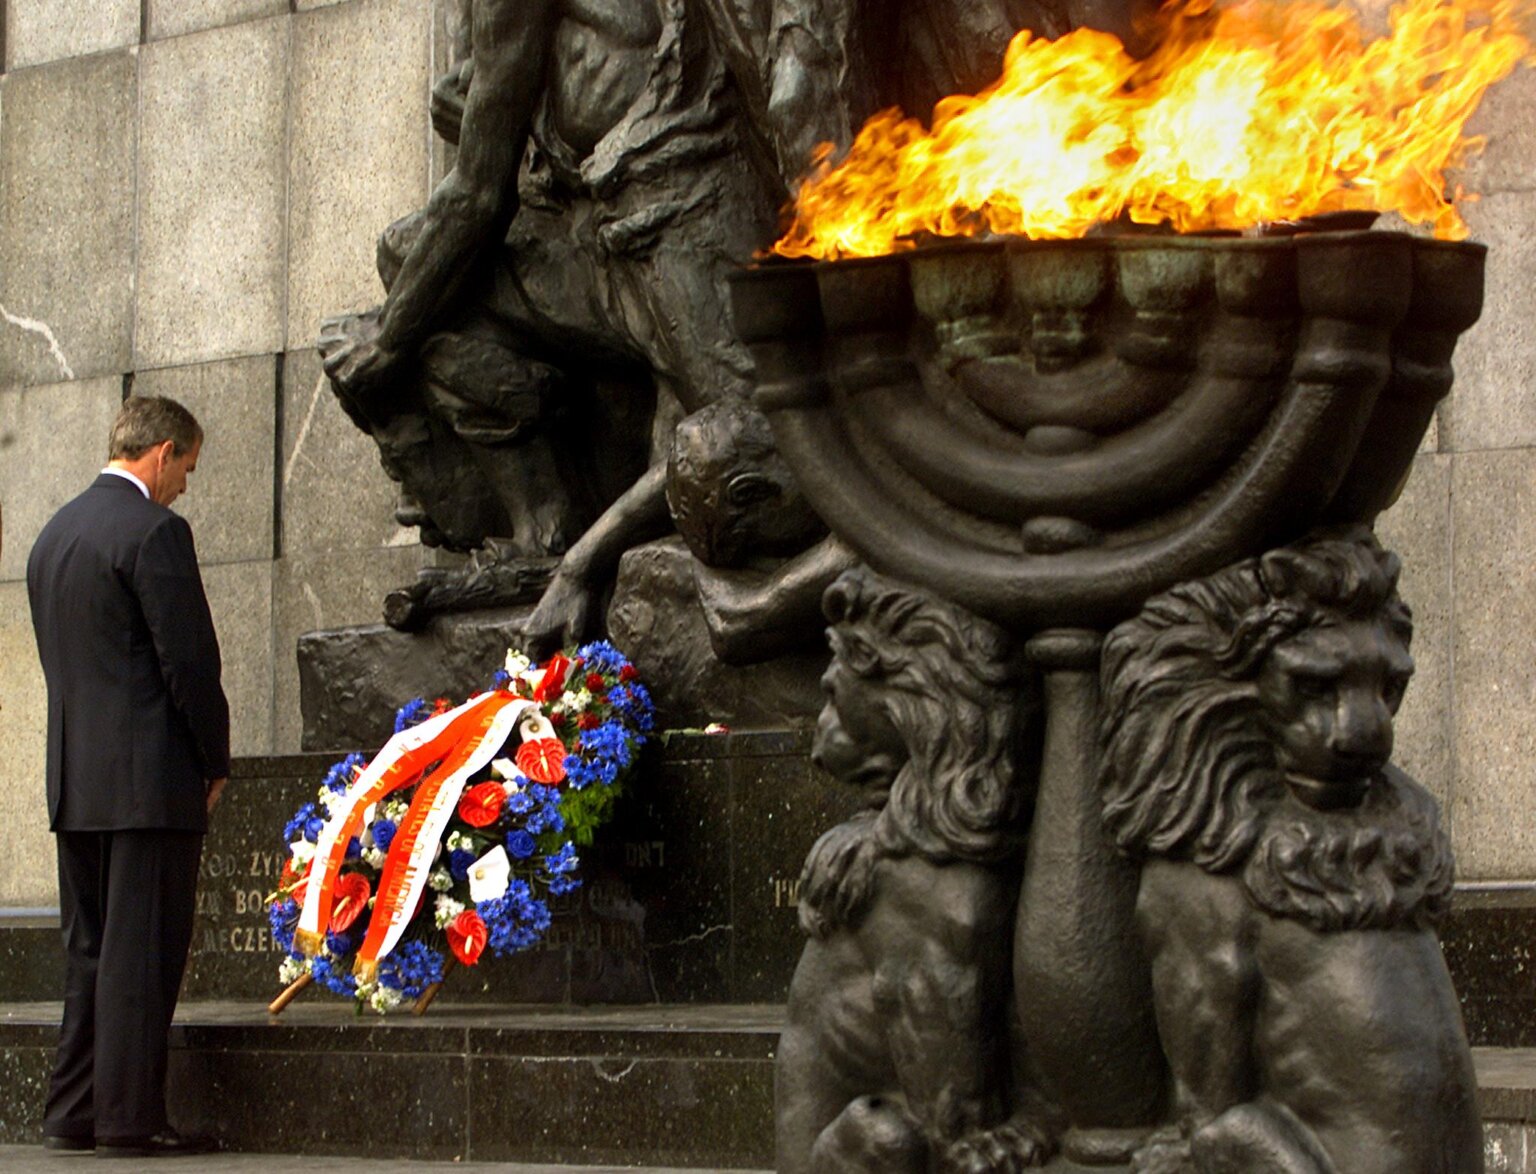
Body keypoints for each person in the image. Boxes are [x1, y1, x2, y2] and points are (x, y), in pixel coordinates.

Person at [27, 395, 229, 1158]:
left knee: (91, 951)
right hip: (149, 783)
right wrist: (213, 759)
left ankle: (73, 1109)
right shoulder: (155, 531)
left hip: (76, 782)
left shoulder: (54, 535)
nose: (185, 486)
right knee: (141, 955)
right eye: (187, 469)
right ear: (163, 452)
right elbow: (188, 661)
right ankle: (128, 1118)